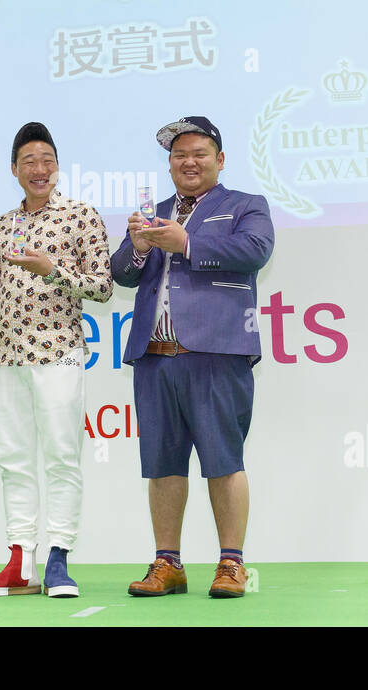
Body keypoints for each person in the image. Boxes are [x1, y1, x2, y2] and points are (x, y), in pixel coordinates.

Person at [0, 122, 112, 598]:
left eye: (47, 160)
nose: (39, 168)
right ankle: (19, 562)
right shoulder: (2, 225)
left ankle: (58, 560)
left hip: (60, 353)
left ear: (58, 167)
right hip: (7, 355)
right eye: (29, 161)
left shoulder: (81, 215)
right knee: (13, 460)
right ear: (14, 169)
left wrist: (53, 270)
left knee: (62, 457)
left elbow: (102, 287)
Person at [109, 117, 274, 598]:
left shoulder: (246, 205)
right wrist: (139, 248)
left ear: (220, 160)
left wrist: (187, 242)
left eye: (199, 153)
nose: (189, 162)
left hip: (216, 352)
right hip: (155, 354)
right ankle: (168, 563)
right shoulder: (153, 212)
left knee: (224, 460)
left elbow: (256, 249)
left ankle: (231, 563)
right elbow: (121, 272)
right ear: (169, 165)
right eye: (179, 155)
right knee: (162, 464)